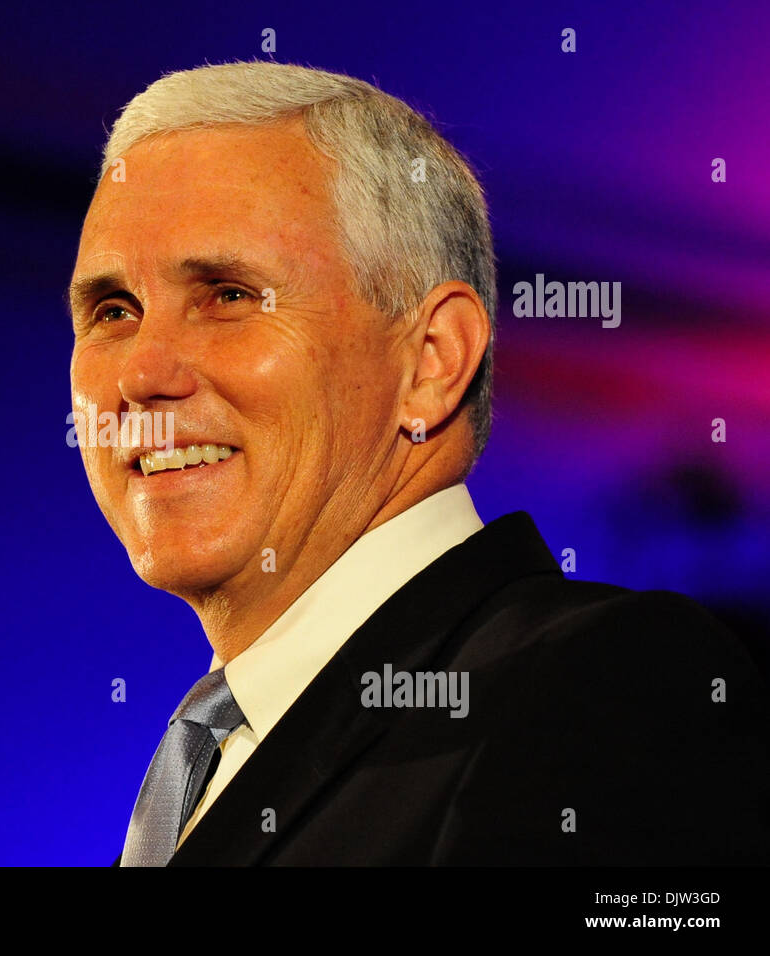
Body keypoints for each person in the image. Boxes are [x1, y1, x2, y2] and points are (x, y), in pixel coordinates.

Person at [65, 61, 770, 865]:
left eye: (228, 295)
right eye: (112, 310)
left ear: (432, 360)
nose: (139, 374)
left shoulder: (600, 686)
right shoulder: (216, 755)